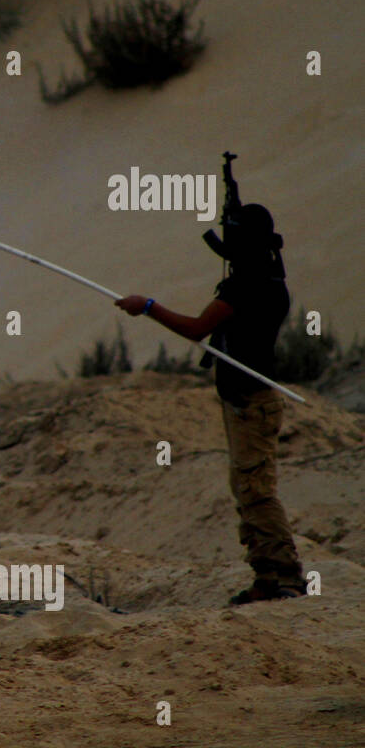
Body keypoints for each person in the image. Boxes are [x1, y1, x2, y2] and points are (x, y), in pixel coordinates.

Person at [115, 202, 306, 605]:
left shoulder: (245, 287)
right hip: (248, 400)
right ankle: (266, 576)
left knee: (256, 491)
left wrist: (148, 307)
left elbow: (196, 329)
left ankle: (285, 576)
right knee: (244, 487)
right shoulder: (271, 281)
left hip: (250, 402)